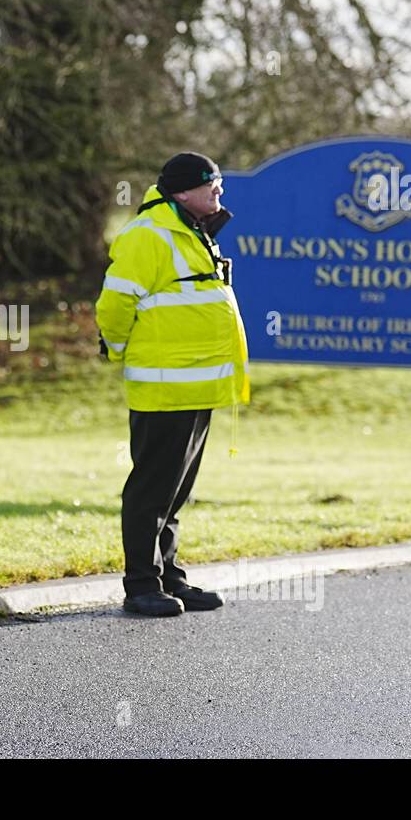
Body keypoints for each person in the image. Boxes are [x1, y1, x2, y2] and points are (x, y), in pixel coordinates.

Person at [94, 151, 250, 617]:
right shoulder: (149, 234)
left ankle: (168, 576)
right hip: (164, 386)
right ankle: (141, 584)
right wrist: (119, 350)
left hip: (197, 386)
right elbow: (114, 305)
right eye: (211, 186)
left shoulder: (192, 230)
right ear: (183, 191)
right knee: (151, 489)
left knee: (176, 491)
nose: (219, 193)